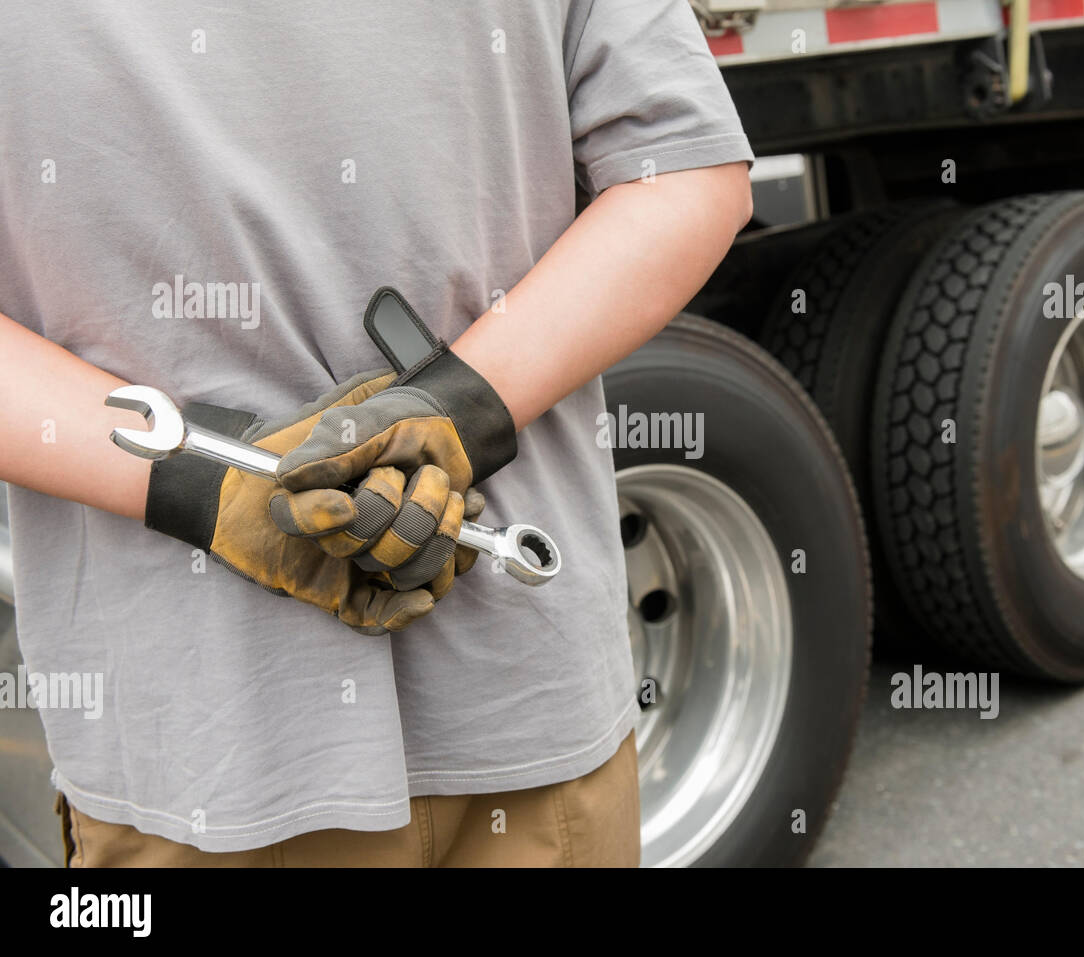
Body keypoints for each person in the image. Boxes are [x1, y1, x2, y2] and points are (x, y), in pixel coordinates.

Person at [0, 0, 753, 866]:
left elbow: (692, 173)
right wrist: (458, 408)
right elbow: (686, 171)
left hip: (198, 753)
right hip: (520, 724)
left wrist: (203, 483)